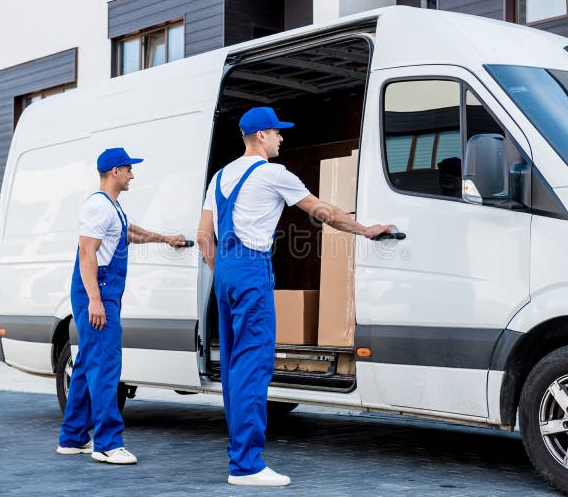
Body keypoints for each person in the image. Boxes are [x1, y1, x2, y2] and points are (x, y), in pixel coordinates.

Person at [196, 107, 393, 486]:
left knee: (236, 368)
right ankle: (247, 465)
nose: (282, 138)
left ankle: (239, 455)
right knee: (253, 366)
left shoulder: (220, 176)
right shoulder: (272, 174)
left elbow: (204, 234)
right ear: (259, 137)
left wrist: (221, 270)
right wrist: (365, 229)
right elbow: (323, 211)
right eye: (276, 132)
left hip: (224, 272)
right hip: (251, 270)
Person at [57, 147, 187, 464]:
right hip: (97, 290)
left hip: (101, 290)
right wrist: (96, 302)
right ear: (115, 171)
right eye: (129, 169)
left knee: (88, 364)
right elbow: (87, 254)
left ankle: (72, 438)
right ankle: (107, 443)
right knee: (106, 368)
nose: (133, 174)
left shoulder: (112, 208)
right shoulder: (98, 208)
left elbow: (129, 233)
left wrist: (165, 239)